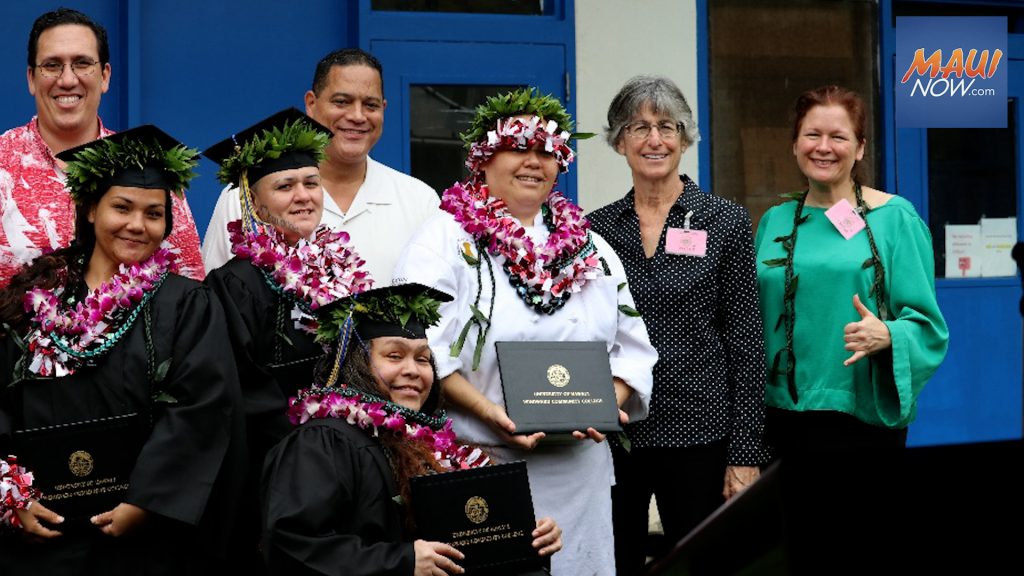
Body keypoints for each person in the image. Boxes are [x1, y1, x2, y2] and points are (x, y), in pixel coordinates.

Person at [393, 88, 657, 576]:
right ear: (483, 158)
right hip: (480, 464)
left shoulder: (592, 247)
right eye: (518, 147)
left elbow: (633, 349)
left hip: (580, 469)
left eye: (547, 151)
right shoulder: (443, 238)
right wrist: (492, 414)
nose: (533, 162)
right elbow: (421, 349)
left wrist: (606, 404)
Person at [0, 125, 243, 574]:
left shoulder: (186, 304)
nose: (137, 225)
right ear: (91, 209)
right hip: (39, 540)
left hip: (144, 539)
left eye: (154, 213)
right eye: (122, 207)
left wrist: (149, 501)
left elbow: (202, 408)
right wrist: (9, 494)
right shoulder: (33, 296)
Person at [754, 85, 949, 572]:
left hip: (859, 421)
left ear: (860, 148)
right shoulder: (776, 220)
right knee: (795, 552)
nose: (824, 146)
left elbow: (928, 326)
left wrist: (889, 334)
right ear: (795, 144)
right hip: (782, 418)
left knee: (859, 551)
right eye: (812, 134)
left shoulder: (894, 219)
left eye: (838, 136)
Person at [587, 75, 769, 574]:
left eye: (667, 127)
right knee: (614, 561)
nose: (654, 140)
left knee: (702, 564)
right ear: (619, 141)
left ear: (685, 138)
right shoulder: (594, 228)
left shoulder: (723, 220)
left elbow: (746, 340)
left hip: (699, 433)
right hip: (616, 432)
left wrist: (746, 450)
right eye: (639, 127)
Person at [262, 282, 562, 576]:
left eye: (422, 359)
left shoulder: (432, 445)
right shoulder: (322, 442)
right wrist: (402, 562)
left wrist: (526, 540)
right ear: (357, 362)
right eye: (394, 356)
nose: (412, 370)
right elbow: (291, 547)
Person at [203, 108, 374, 569]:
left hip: (347, 465)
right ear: (254, 204)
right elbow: (236, 389)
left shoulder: (344, 271)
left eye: (311, 182)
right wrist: (314, 447)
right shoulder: (234, 284)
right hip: (272, 472)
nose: (303, 196)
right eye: (284, 186)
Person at [0, 7, 205, 287]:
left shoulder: (146, 167)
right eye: (52, 65)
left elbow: (189, 283)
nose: (68, 79)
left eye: (82, 63)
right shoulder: (4, 163)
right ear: (31, 79)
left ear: (105, 76)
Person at [202, 48, 439, 281]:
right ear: (311, 103)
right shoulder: (245, 198)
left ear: (383, 109)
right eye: (342, 101)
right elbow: (214, 300)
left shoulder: (419, 201)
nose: (358, 116)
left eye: (371, 105)